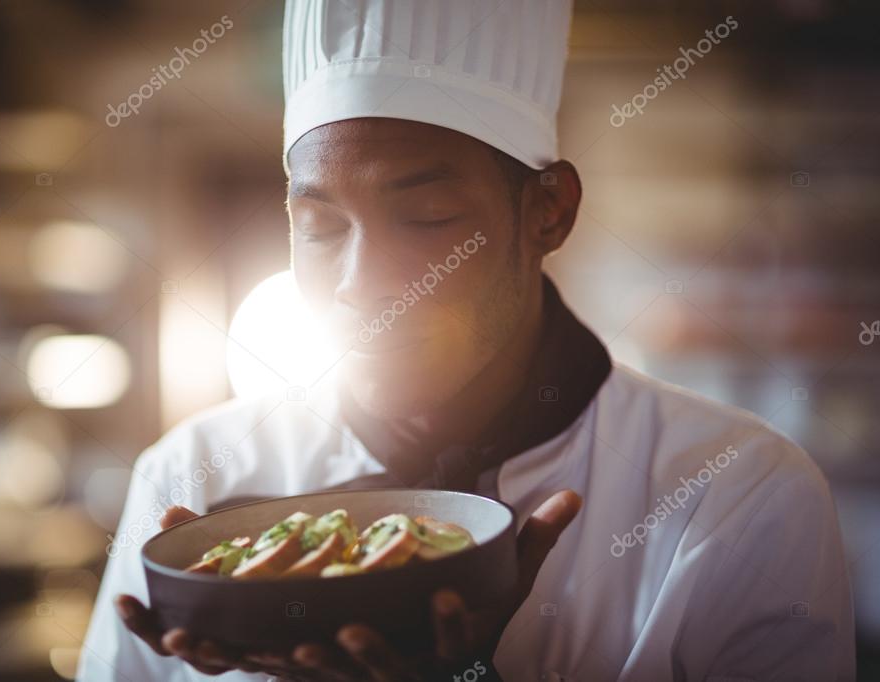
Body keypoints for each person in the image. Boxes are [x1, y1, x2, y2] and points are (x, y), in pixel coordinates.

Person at [77, 1, 855, 680]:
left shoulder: (734, 493)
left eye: (427, 219)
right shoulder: (194, 481)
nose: (360, 283)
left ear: (547, 210)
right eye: (318, 227)